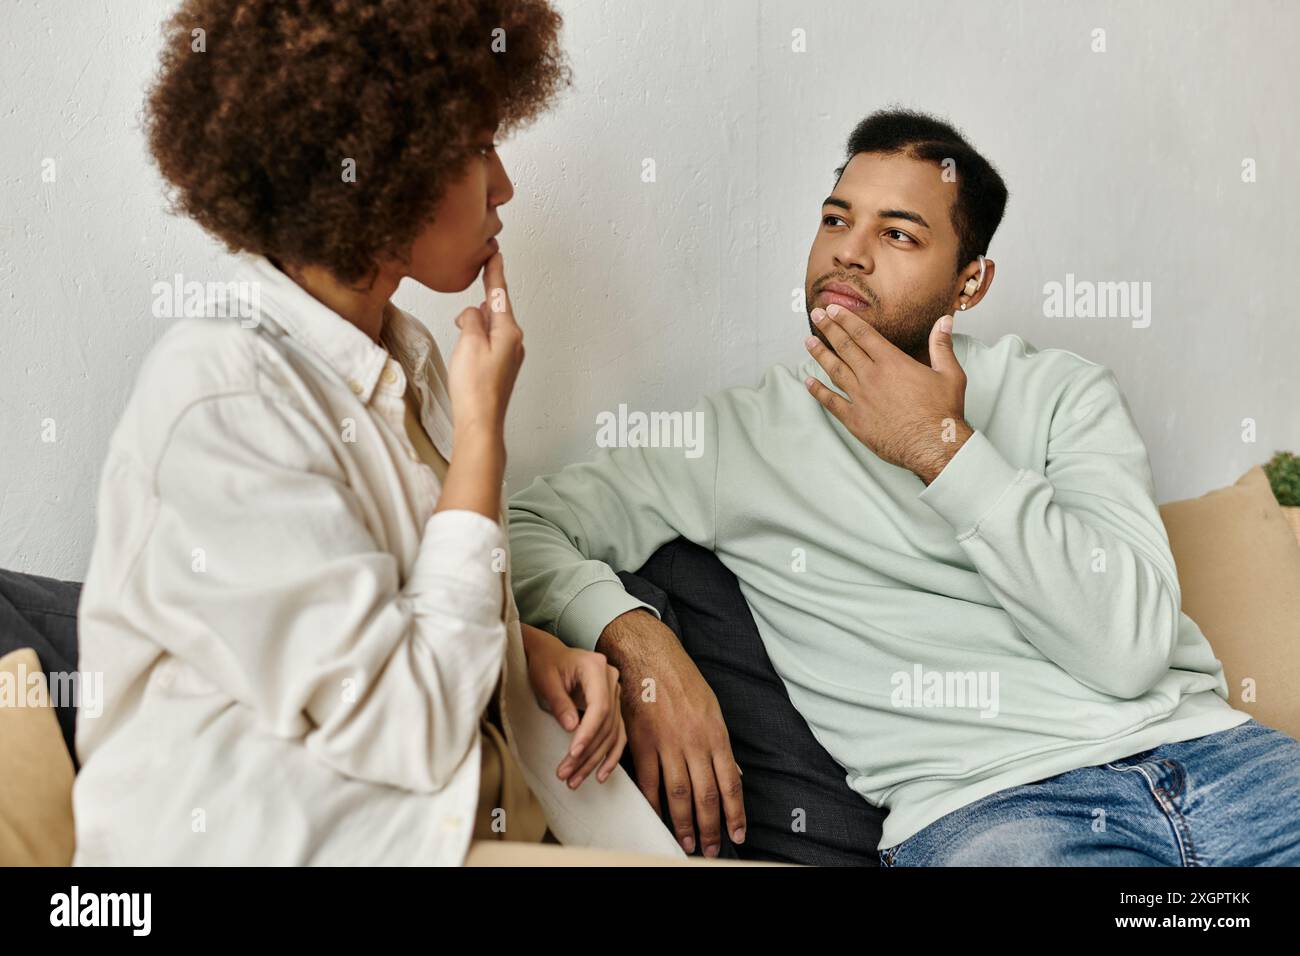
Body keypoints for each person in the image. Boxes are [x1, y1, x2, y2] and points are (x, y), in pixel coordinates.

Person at [507, 109, 1300, 866]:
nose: (849, 251)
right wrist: (633, 633)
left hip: (1221, 763)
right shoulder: (733, 440)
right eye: (834, 219)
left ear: (971, 282)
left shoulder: (1064, 393)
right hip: (994, 812)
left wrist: (944, 452)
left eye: (897, 233)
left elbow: (1126, 653)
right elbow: (518, 528)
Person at [72, 0, 689, 865]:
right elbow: (412, 724)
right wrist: (482, 438)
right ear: (377, 170)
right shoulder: (220, 397)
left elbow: (413, 609)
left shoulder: (407, 356)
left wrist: (528, 653)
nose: (504, 185)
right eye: (477, 146)